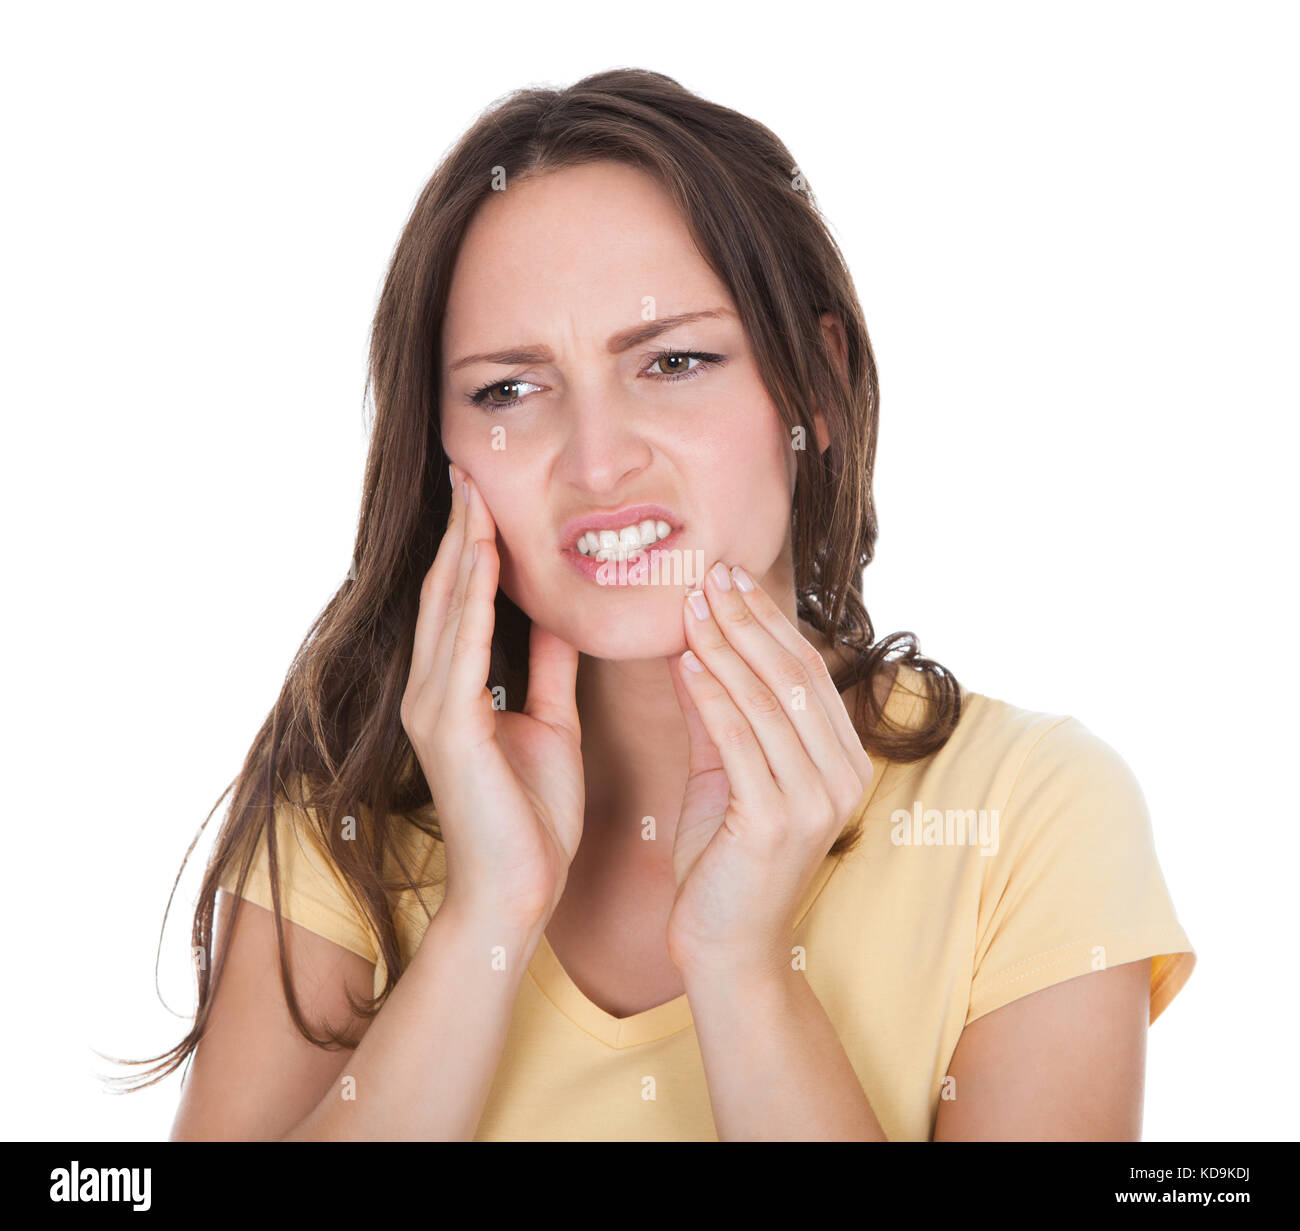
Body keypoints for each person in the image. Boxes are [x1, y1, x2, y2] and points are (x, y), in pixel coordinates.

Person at [116, 68, 1195, 1140]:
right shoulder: (344, 815)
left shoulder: (1036, 815)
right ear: (445, 447)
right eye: (510, 389)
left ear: (810, 387)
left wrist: (742, 967)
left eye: (673, 360)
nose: (597, 462)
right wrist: (485, 918)